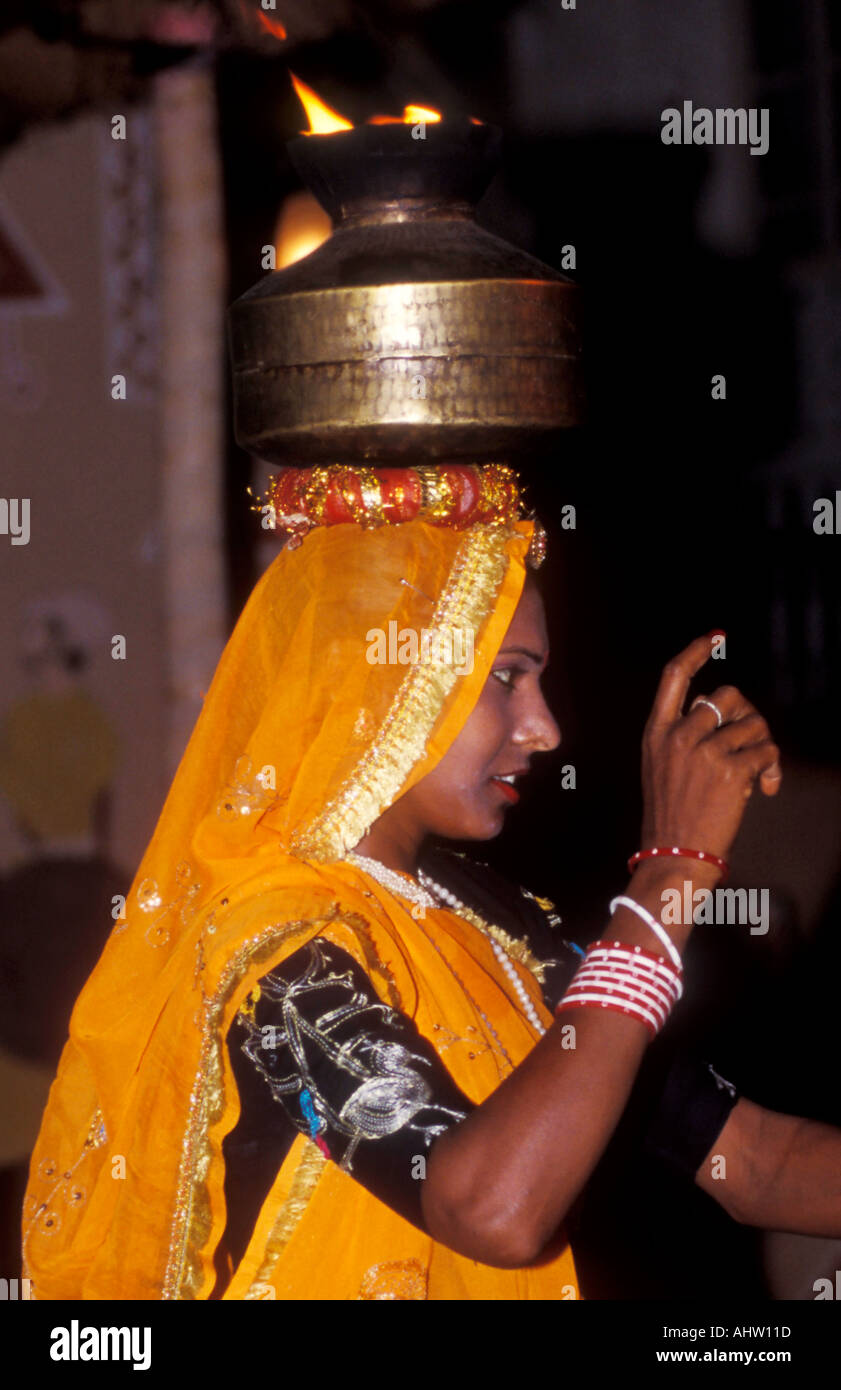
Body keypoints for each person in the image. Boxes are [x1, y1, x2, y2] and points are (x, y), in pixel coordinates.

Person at [21, 468, 841, 1300]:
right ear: (383, 682)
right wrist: (670, 874)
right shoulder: (275, 948)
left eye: (539, 681)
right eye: (505, 677)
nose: (543, 728)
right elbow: (492, 1210)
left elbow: (756, 1165)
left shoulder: (495, 921)